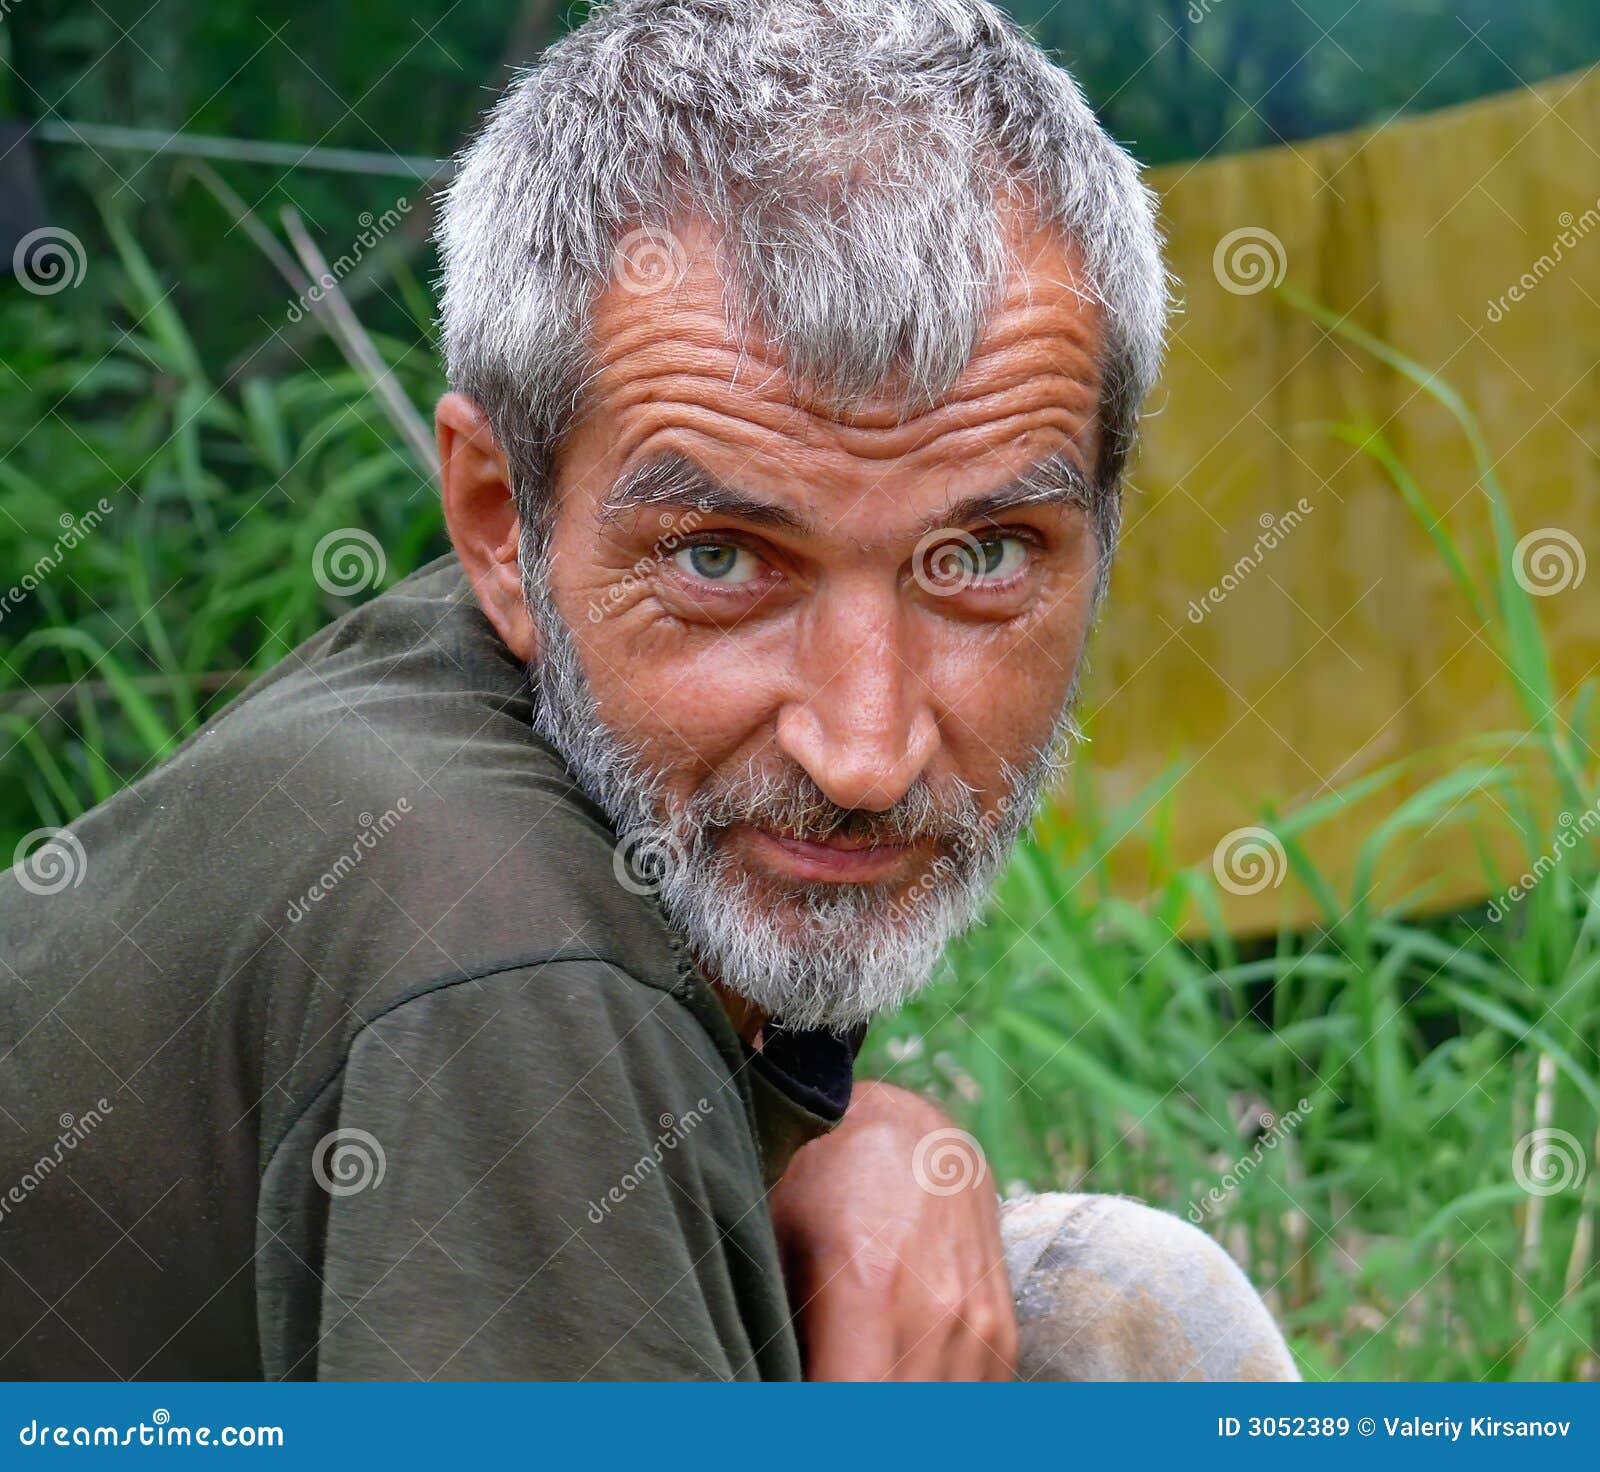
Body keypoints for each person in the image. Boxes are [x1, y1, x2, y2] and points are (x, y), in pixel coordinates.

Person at [0, 0, 1294, 1381]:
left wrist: (835, 1130)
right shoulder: (491, 945)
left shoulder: (520, 739)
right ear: (501, 524)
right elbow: (512, 1001)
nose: (864, 748)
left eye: (977, 558)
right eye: (725, 559)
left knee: (1123, 1313)